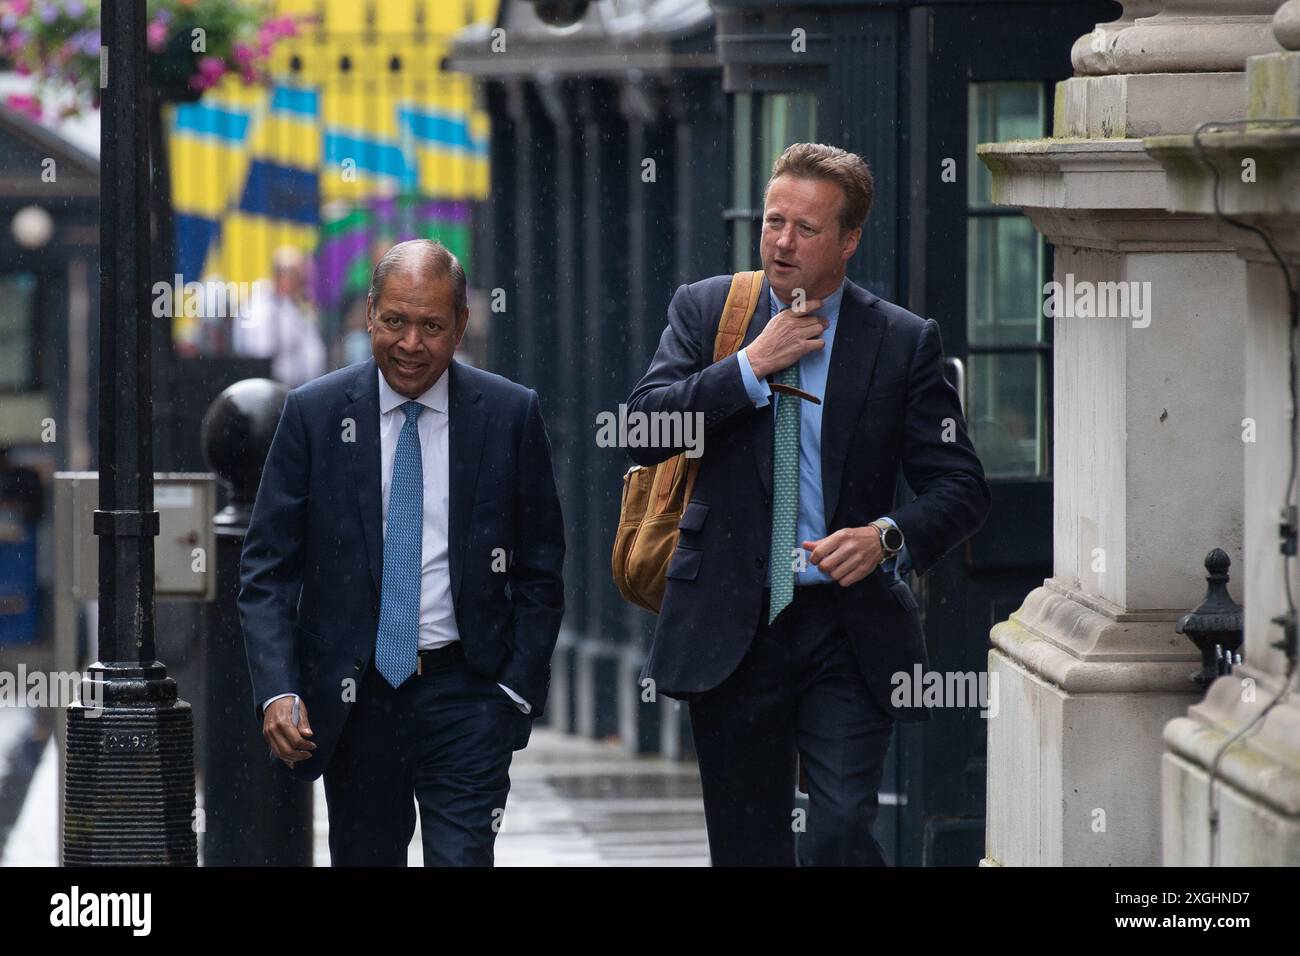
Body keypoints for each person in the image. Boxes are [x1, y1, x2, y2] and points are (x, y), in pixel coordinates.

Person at [626, 142, 991, 866]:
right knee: (748, 849)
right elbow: (643, 427)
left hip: (844, 631)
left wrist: (887, 537)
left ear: (849, 240)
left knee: (838, 832)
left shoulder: (900, 340)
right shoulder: (708, 312)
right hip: (733, 624)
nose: (782, 242)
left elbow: (961, 487)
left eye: (806, 228)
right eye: (773, 222)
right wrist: (747, 368)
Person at [238, 239, 565, 866]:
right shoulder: (315, 413)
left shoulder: (508, 414)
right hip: (355, 703)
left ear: (462, 326)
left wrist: (516, 690)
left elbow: (540, 564)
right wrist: (278, 690)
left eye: (432, 326)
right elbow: (267, 569)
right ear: (368, 315)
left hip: (468, 695)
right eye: (395, 321)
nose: (411, 343)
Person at [232, 246, 328, 388]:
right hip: (274, 391)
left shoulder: (294, 306)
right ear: (282, 276)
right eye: (299, 278)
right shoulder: (260, 308)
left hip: (302, 390)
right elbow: (261, 358)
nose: (303, 285)